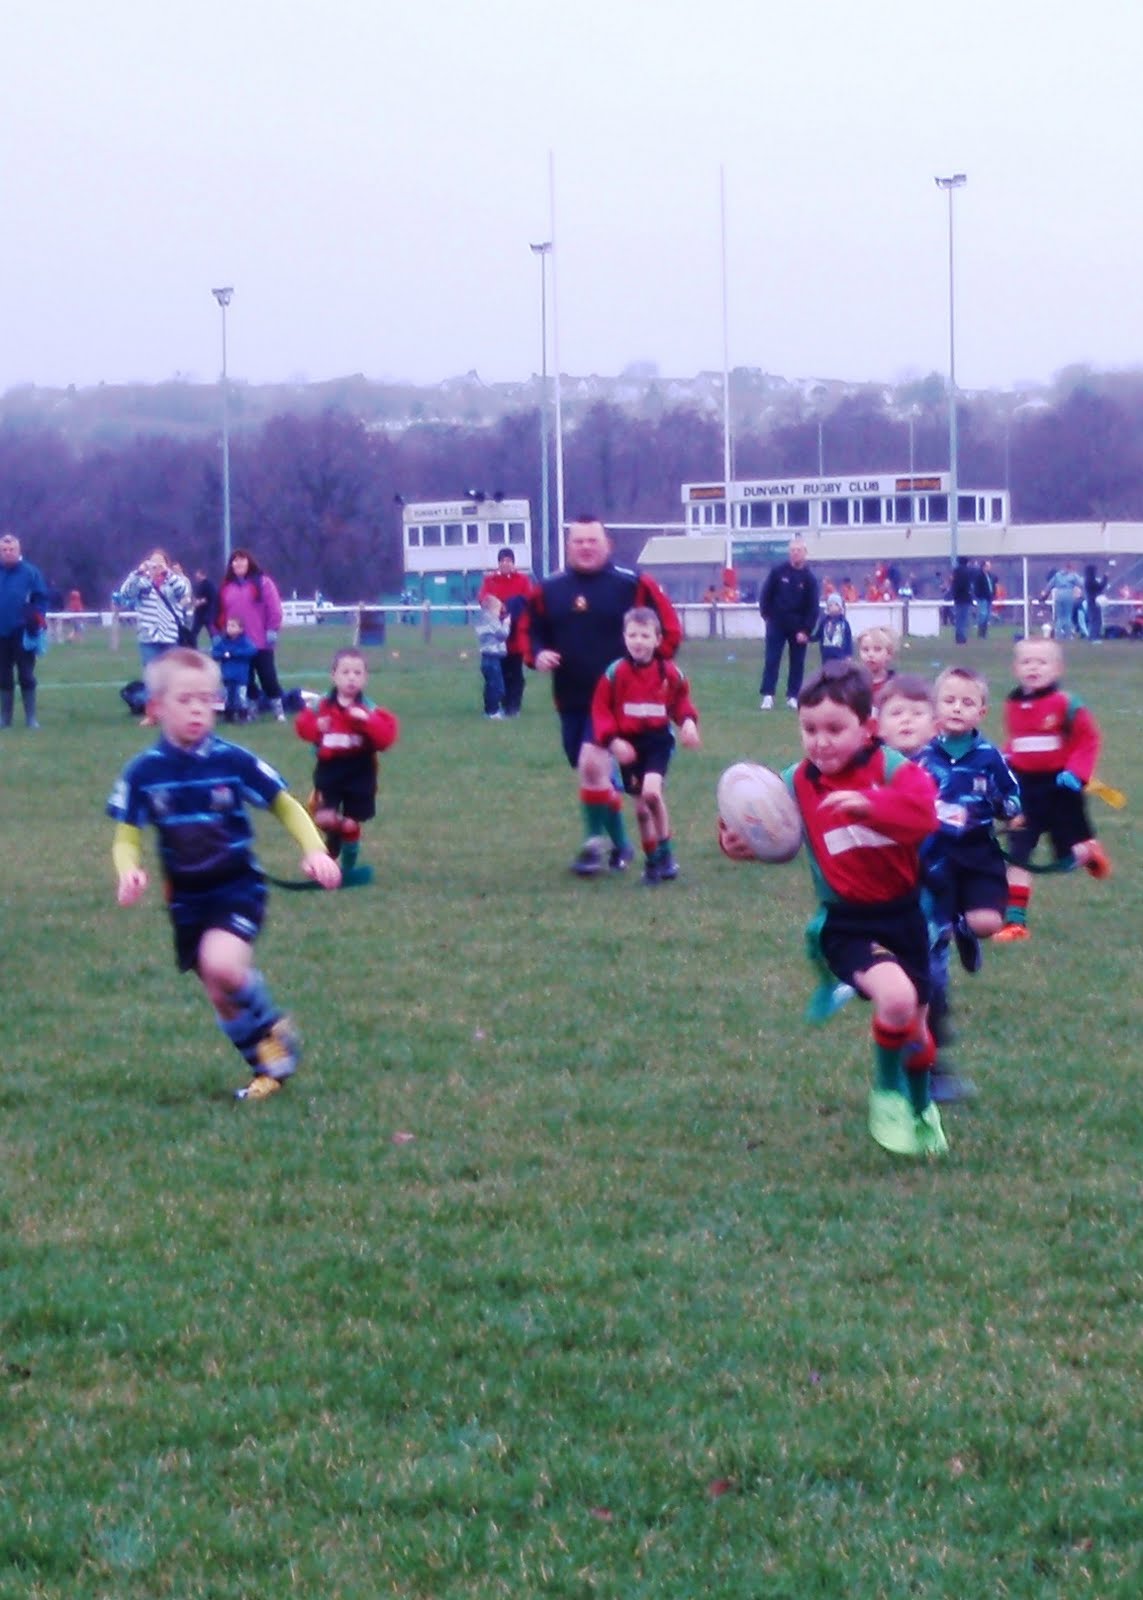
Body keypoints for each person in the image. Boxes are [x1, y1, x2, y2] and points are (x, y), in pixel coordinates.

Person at [719, 660, 945, 1157]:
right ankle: (885, 1096)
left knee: (918, 1033)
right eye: (809, 729)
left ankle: (921, 1108)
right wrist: (734, 839)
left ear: (867, 727)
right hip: (846, 923)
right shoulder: (795, 783)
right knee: (897, 999)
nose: (820, 742)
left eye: (834, 730)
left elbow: (924, 817)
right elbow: (757, 817)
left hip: (905, 917)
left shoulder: (893, 771)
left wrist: (872, 806)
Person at [107, 647, 341, 1101]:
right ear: (155, 708)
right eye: (185, 700)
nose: (198, 709)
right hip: (186, 901)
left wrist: (315, 850)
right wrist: (128, 869)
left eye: (206, 700)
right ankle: (268, 1068)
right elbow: (126, 835)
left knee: (223, 967)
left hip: (237, 888)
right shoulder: (143, 773)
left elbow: (284, 804)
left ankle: (273, 1026)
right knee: (219, 991)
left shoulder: (232, 761)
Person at [528, 515, 681, 877]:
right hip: (571, 698)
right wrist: (536, 654)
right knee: (594, 777)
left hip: (618, 706)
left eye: (592, 540)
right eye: (578, 541)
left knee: (592, 767)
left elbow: (668, 628)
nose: (585, 547)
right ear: (568, 547)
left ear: (607, 544)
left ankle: (592, 847)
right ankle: (623, 846)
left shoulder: (633, 585)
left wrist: (651, 672)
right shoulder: (549, 589)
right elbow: (531, 629)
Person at [995, 638, 1111, 941]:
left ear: (1057, 669)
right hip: (1025, 790)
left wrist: (1076, 773)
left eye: (1041, 662)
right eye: (1026, 662)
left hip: (1060, 788)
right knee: (1018, 853)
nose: (1033, 667)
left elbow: (1089, 740)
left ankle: (1088, 851)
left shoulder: (1066, 704)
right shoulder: (1013, 703)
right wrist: (1004, 761)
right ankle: (1015, 922)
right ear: (1015, 668)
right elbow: (1019, 741)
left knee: (1067, 854)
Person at [590, 606, 701, 884]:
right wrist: (614, 741)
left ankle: (666, 854)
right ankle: (652, 863)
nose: (638, 641)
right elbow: (601, 711)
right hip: (628, 746)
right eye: (632, 635)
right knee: (640, 811)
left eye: (644, 635)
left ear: (657, 639)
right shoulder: (615, 674)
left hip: (657, 742)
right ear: (624, 638)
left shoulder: (669, 673)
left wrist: (687, 722)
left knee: (652, 794)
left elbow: (680, 702)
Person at [294, 647, 400, 888]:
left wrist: (368, 723)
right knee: (324, 818)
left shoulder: (369, 709)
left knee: (351, 825)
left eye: (357, 673)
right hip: (330, 771)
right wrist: (316, 727)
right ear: (334, 676)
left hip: (360, 773)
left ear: (365, 678)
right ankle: (329, 856)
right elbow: (302, 728)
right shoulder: (321, 705)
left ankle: (347, 869)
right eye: (345, 672)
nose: (351, 677)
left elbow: (386, 739)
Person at [217, 549, 286, 720]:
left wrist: (272, 629)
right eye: (234, 561)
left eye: (242, 560)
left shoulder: (263, 583)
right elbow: (221, 612)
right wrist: (221, 633)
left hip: (261, 642)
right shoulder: (227, 587)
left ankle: (278, 710)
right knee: (245, 680)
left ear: (249, 562)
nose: (238, 564)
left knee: (268, 677)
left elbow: (274, 608)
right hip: (237, 644)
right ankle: (251, 710)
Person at [758, 537, 819, 709]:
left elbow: (813, 607)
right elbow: (766, 595)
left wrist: (806, 630)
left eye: (798, 550)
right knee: (772, 659)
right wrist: (767, 616)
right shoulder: (778, 572)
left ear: (805, 553)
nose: (795, 553)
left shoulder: (809, 579)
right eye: (792, 550)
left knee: (797, 662)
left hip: (798, 627)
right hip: (776, 624)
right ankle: (768, 695)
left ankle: (793, 695)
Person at [114, 548, 193, 678]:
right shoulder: (142, 582)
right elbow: (125, 593)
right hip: (148, 639)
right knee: (152, 679)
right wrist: (137, 573)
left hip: (170, 637)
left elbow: (183, 591)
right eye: (153, 562)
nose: (156, 566)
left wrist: (167, 573)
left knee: (171, 678)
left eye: (160, 563)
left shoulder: (174, 581)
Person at [0, 532, 48, 729]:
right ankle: (5, 719)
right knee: (3, 676)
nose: (7, 552)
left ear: (18, 551)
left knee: (26, 675)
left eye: (11, 549)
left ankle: (31, 718)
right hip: (1, 633)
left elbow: (41, 597)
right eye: (4, 550)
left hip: (22, 631)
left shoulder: (30, 572)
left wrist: (36, 617)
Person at [477, 548, 532, 716]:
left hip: (515, 631)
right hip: (496, 634)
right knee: (497, 674)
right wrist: (499, 610)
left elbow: (528, 600)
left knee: (515, 671)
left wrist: (512, 611)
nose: (506, 563)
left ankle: (513, 705)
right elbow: (483, 599)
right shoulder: (490, 580)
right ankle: (497, 705)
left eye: (509, 560)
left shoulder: (522, 580)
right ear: (498, 563)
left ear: (513, 563)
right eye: (503, 560)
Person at [211, 615, 258, 722]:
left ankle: (243, 715)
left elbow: (252, 651)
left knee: (241, 697)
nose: (229, 628)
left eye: (233, 626)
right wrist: (223, 655)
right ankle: (229, 716)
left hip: (241, 676)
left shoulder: (244, 641)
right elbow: (214, 653)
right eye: (228, 625)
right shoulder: (223, 641)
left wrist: (234, 653)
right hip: (227, 675)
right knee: (228, 696)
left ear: (240, 629)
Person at [474, 593, 511, 719]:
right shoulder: (491, 620)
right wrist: (506, 623)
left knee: (490, 685)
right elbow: (502, 634)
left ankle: (489, 710)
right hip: (492, 657)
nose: (500, 612)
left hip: (486, 658)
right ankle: (493, 711)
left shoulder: (482, 620)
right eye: (498, 609)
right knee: (497, 686)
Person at [856, 624, 897, 703]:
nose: (870, 654)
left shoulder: (895, 684)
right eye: (865, 650)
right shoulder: (854, 683)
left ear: (889, 654)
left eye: (877, 649)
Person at [1040, 566, 1083, 640]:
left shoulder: (1057, 575)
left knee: (1060, 617)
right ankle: (1068, 635)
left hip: (1058, 595)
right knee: (1067, 616)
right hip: (1068, 594)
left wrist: (1044, 593)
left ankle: (1058, 635)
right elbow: (1081, 583)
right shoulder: (1073, 575)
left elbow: (1049, 585)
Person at [811, 593, 853, 664]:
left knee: (839, 673)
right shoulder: (824, 622)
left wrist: (848, 655)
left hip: (840, 655)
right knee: (827, 673)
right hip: (826, 655)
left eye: (836, 605)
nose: (833, 607)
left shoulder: (844, 623)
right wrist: (808, 638)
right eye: (830, 605)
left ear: (840, 607)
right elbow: (818, 635)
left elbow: (848, 639)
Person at [950, 556, 976, 645]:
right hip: (966, 597)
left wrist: (953, 594)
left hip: (958, 597)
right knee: (964, 619)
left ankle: (958, 637)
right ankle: (962, 637)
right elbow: (970, 585)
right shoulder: (969, 571)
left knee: (958, 618)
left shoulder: (956, 571)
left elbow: (954, 584)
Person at [191, 568, 219, 647]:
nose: (196, 576)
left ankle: (217, 646)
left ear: (202, 574)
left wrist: (200, 602)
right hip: (199, 613)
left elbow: (210, 597)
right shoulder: (199, 585)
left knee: (212, 632)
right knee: (194, 632)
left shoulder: (209, 585)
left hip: (207, 613)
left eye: (198, 574)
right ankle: (192, 647)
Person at [1082, 564, 1108, 641]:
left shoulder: (1087, 580)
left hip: (1090, 601)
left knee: (1093, 619)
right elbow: (1100, 587)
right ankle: (1094, 637)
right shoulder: (1091, 581)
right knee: (1097, 620)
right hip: (1094, 601)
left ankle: (1092, 636)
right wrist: (1105, 577)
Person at [973, 560, 996, 638]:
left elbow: (993, 585)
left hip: (989, 598)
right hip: (983, 598)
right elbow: (976, 588)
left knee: (987, 616)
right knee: (983, 615)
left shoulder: (990, 576)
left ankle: (984, 633)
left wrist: (993, 594)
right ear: (983, 567)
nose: (989, 567)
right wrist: (979, 596)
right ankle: (980, 633)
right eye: (987, 566)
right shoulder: (979, 576)